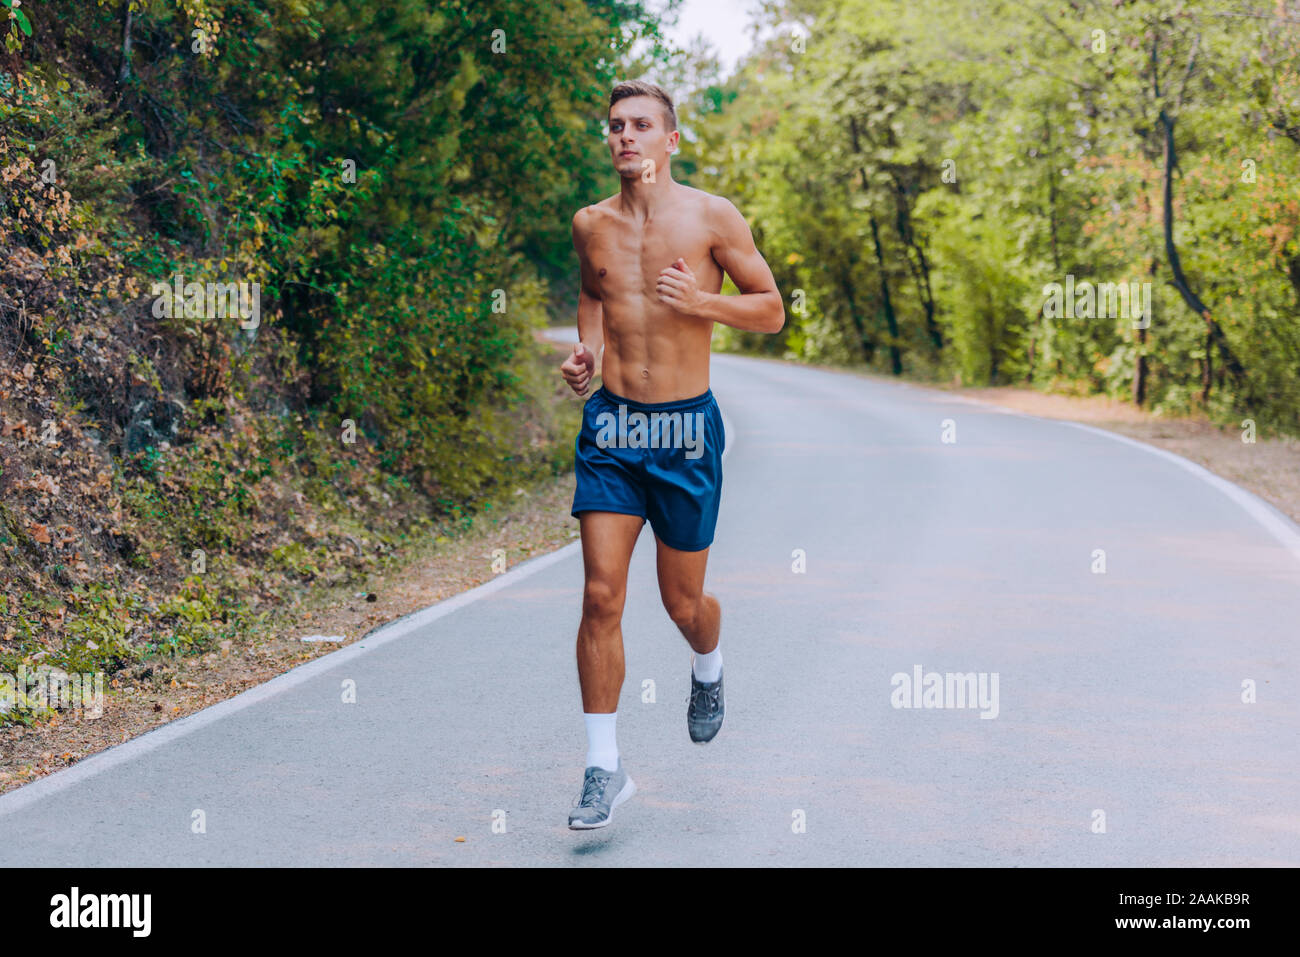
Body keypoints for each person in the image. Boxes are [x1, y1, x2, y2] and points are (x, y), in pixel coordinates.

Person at [559, 79, 784, 828]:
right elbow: (593, 298)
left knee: (683, 604)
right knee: (600, 594)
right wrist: (585, 354)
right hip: (614, 431)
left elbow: (772, 310)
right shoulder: (590, 224)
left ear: (671, 139)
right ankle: (602, 767)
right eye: (616, 125)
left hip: (685, 432)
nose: (626, 136)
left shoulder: (711, 216)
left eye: (642, 125)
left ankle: (708, 664)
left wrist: (704, 304)